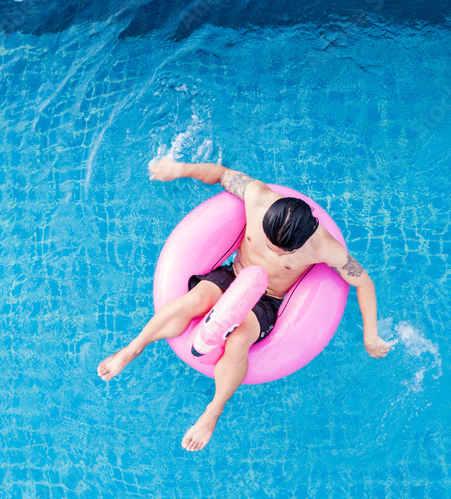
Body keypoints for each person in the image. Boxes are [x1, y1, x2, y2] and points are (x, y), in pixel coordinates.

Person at [98, 157, 392, 451]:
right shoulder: (257, 196)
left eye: (284, 253)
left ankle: (213, 410)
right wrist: (180, 170)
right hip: (234, 275)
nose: (275, 254)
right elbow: (222, 174)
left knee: (238, 342)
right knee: (196, 299)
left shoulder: (325, 246)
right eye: (269, 244)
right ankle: (132, 348)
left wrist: (370, 334)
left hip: (266, 301)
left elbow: (363, 281)